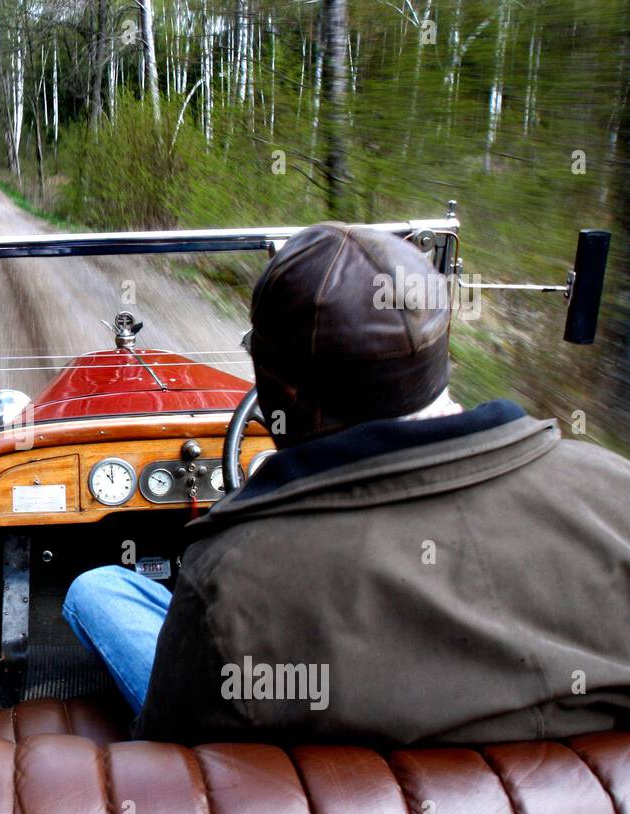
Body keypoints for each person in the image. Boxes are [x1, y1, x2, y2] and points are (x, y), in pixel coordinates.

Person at [64, 221, 630, 746]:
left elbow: (174, 750)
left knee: (99, 589)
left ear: (278, 394)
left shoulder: (233, 580)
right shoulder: (613, 492)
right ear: (440, 355)